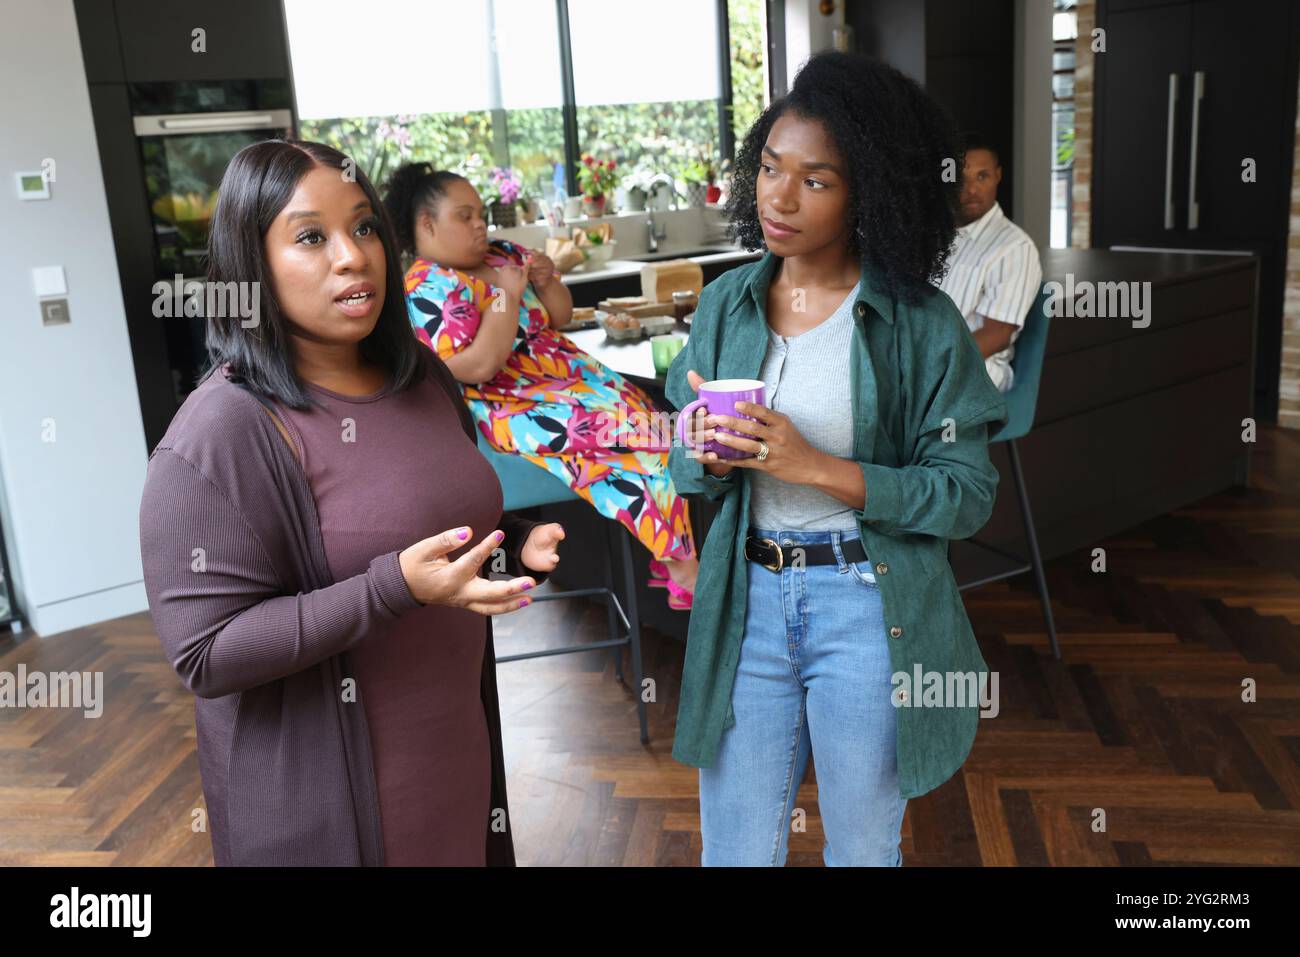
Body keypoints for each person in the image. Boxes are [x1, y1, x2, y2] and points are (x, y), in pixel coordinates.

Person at [139, 139, 565, 866]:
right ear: (252, 265)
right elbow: (206, 652)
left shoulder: (421, 375)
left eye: (364, 226)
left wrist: (511, 541)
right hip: (328, 813)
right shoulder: (219, 434)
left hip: (456, 768)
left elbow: (431, 529)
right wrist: (390, 588)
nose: (352, 255)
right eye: (311, 236)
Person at [665, 52, 1010, 866]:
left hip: (865, 604)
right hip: (745, 601)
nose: (780, 197)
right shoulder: (727, 302)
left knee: (860, 849)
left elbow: (966, 494)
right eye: (771, 168)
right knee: (737, 850)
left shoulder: (920, 323)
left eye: (816, 180)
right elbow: (684, 463)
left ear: (871, 193)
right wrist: (705, 456)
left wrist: (815, 464)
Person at [382, 163, 699, 608]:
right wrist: (505, 296)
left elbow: (560, 317)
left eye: (481, 214)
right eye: (465, 216)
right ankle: (677, 559)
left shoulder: (503, 254)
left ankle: (668, 550)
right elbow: (479, 366)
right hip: (513, 404)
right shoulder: (423, 289)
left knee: (657, 426)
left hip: (572, 381)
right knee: (628, 434)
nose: (480, 225)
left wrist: (549, 283)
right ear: (426, 225)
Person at [937, 131, 1043, 392]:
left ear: (998, 175)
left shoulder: (1014, 247)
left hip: (976, 369)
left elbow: (997, 335)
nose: (971, 189)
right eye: (961, 179)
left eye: (982, 176)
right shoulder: (935, 238)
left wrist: (933, 366)